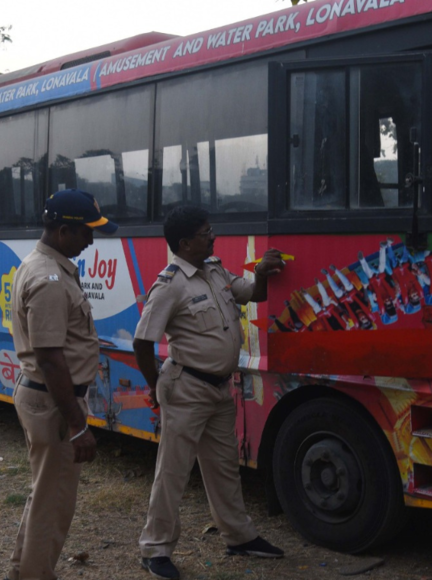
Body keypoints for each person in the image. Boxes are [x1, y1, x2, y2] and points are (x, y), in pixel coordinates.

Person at [133, 206, 285, 580]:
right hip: (186, 388)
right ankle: (155, 549)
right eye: (205, 233)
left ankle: (239, 536)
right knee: (173, 472)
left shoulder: (215, 268)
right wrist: (156, 386)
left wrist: (262, 273)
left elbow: (252, 294)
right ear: (185, 243)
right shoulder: (170, 284)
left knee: (223, 469)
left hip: (219, 388)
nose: (212, 236)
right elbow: (142, 341)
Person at [6, 189, 118, 580]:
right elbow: (51, 359)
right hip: (53, 401)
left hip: (46, 397)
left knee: (45, 496)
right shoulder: (50, 279)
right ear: (64, 231)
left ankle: (24, 570)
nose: (91, 241)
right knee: (53, 503)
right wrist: (77, 425)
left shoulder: (42, 265)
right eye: (87, 232)